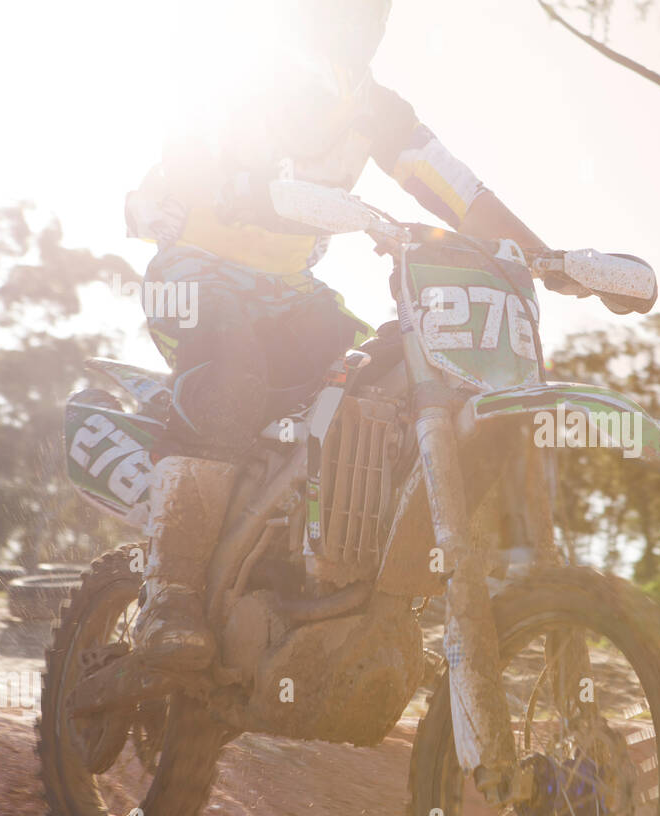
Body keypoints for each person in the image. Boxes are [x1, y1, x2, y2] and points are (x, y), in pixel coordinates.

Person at [124, 0, 556, 671]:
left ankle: (335, 579)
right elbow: (185, 152)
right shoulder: (245, 66)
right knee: (234, 370)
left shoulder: (378, 110)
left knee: (380, 380)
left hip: (290, 294)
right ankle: (168, 594)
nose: (354, 19)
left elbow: (464, 197)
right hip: (194, 275)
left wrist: (547, 261)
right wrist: (229, 183)